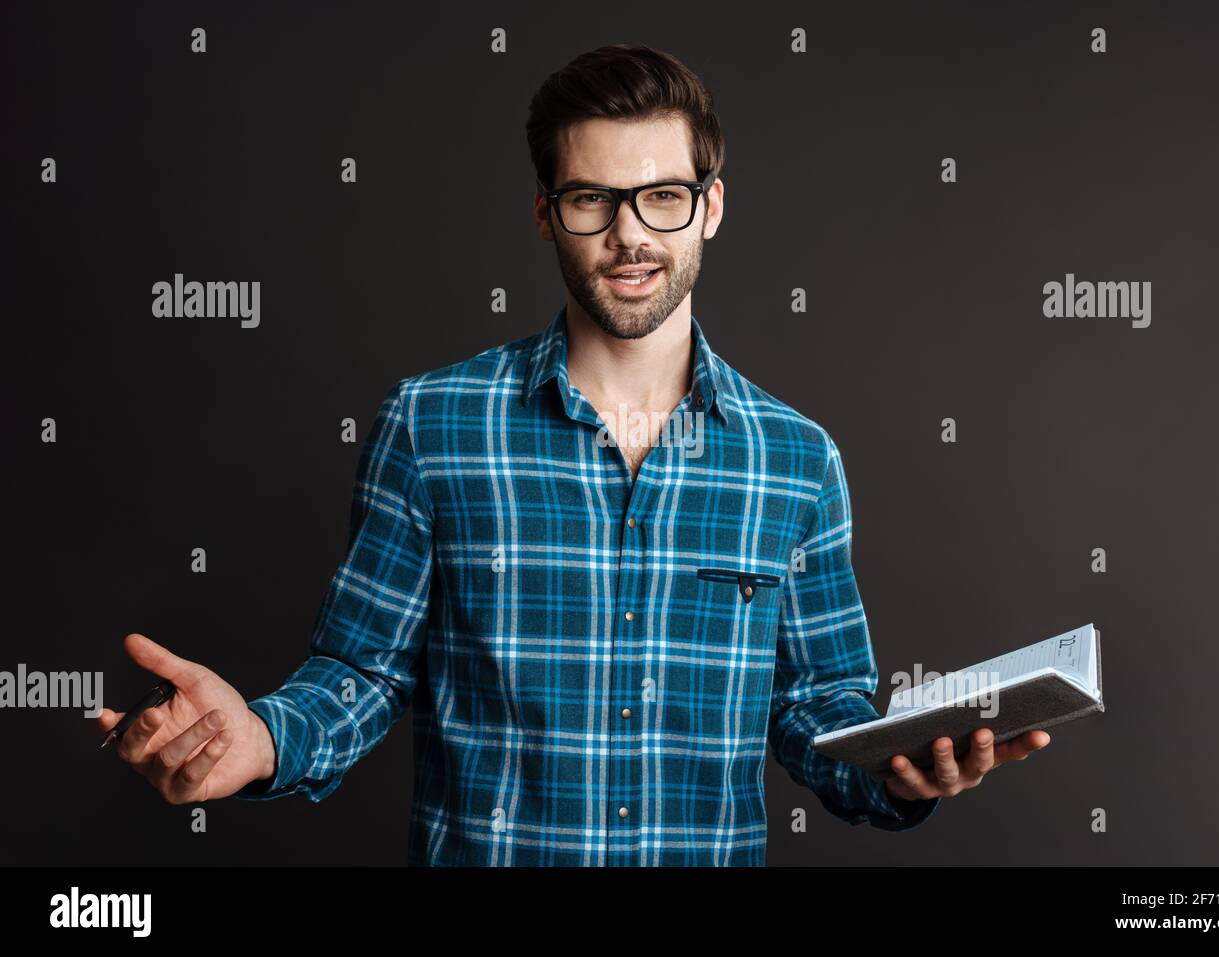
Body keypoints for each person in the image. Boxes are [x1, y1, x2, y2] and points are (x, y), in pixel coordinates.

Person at [94, 44, 1049, 865]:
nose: (630, 233)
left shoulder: (796, 461)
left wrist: (903, 767)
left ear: (710, 208)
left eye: (663, 196)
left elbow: (816, 708)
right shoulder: (431, 425)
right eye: (594, 197)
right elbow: (363, 674)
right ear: (547, 213)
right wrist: (259, 737)